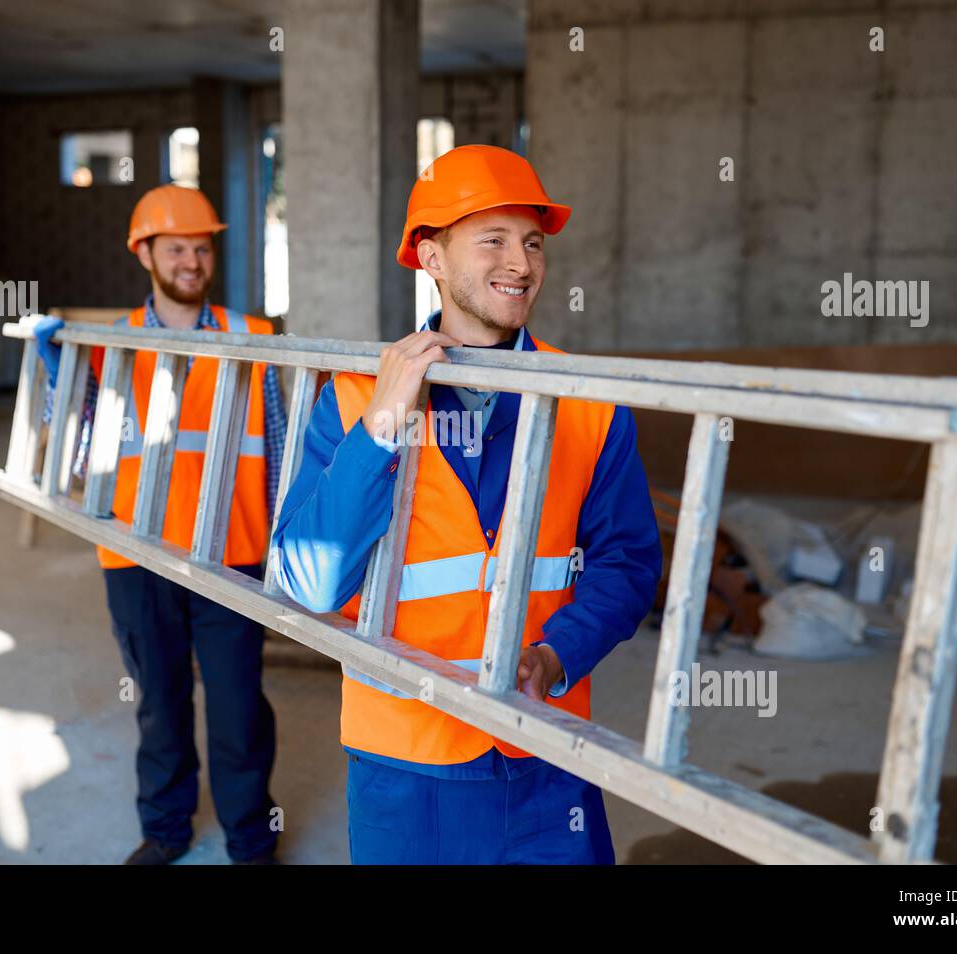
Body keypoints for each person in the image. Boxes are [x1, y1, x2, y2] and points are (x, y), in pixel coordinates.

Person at [270, 145, 663, 864]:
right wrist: (380, 431)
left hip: (547, 751)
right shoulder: (355, 398)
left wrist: (557, 654)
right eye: (494, 239)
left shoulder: (585, 400)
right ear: (432, 257)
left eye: (533, 241)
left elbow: (627, 563)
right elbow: (309, 584)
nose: (521, 262)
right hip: (406, 762)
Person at [34, 184, 283, 865]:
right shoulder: (112, 345)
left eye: (201, 248)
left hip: (231, 556)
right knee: (160, 703)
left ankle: (251, 838)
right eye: (176, 248)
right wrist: (60, 378)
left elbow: (280, 448)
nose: (191, 261)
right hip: (137, 556)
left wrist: (285, 548)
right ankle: (167, 829)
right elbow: (81, 451)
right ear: (145, 252)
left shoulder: (251, 337)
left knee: (237, 709)